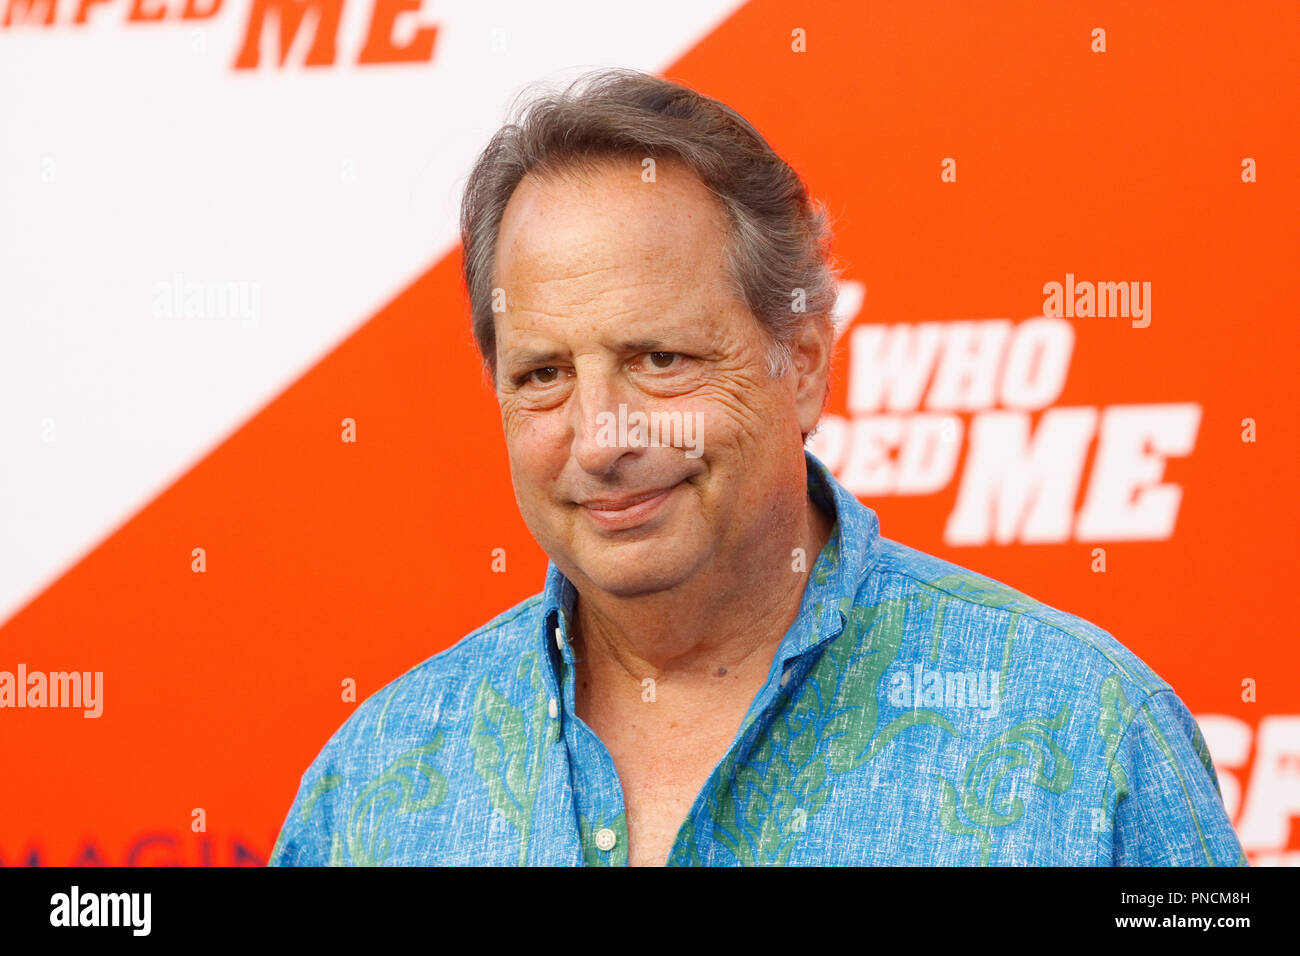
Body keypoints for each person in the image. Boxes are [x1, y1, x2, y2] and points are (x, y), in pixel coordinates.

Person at [269, 68, 1244, 866]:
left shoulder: (1085, 730)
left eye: (661, 360)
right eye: (544, 374)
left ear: (804, 359)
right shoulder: (371, 784)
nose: (601, 437)